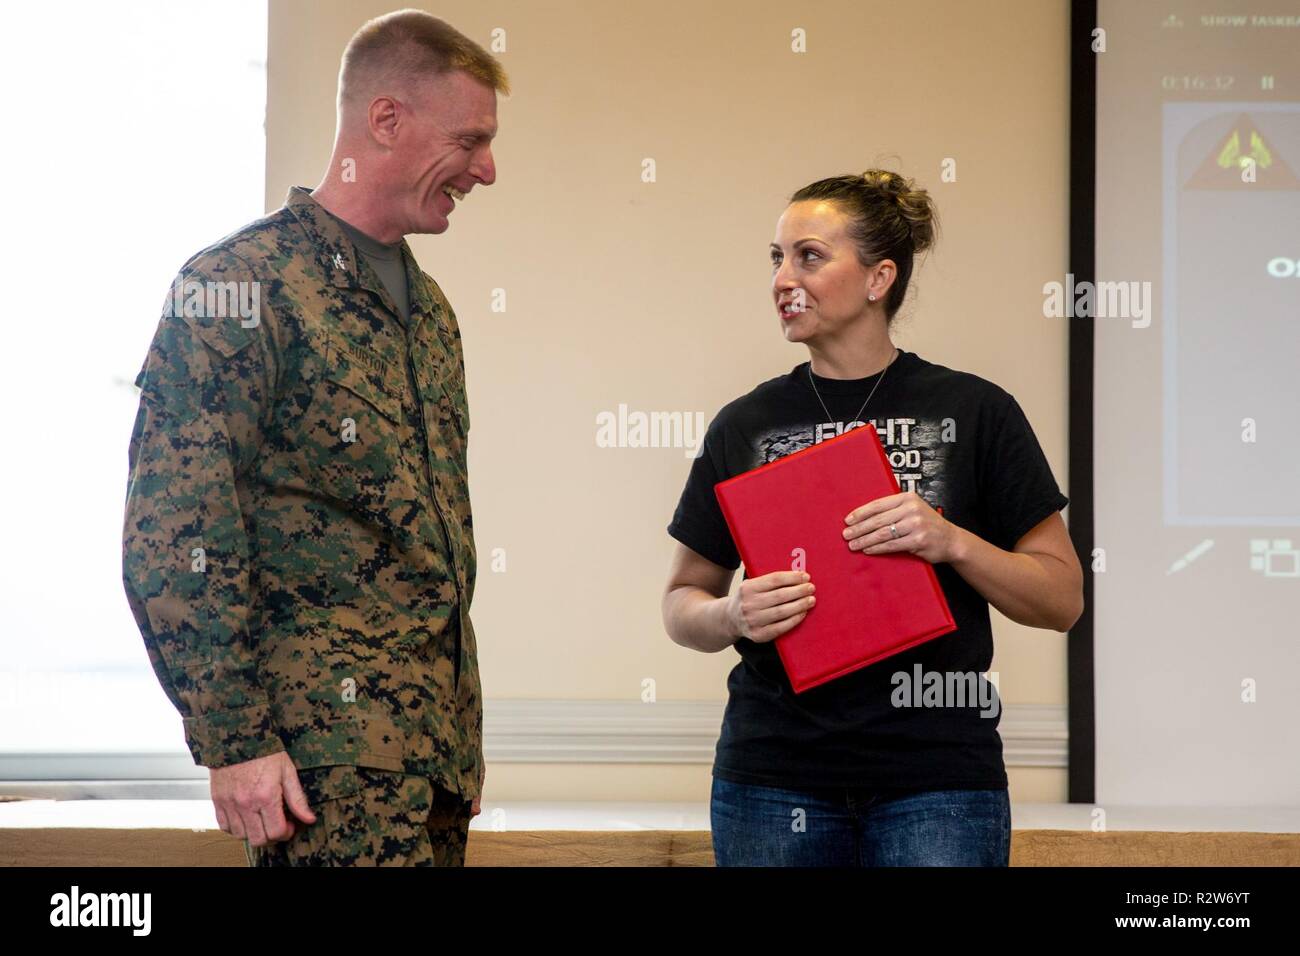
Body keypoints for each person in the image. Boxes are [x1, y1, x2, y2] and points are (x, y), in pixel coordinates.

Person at [121, 10, 508, 866]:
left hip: (429, 765)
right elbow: (175, 533)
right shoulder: (234, 286)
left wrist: (460, 732)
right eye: (472, 139)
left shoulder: (431, 311)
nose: (487, 169)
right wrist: (233, 737)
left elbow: (433, 539)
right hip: (316, 764)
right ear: (385, 119)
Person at [662, 169, 1083, 867]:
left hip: (938, 781)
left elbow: (1061, 598)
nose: (783, 278)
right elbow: (682, 603)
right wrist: (732, 614)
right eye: (776, 257)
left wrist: (952, 542)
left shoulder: (978, 412)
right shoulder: (746, 423)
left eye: (810, 256)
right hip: (773, 777)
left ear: (879, 278)